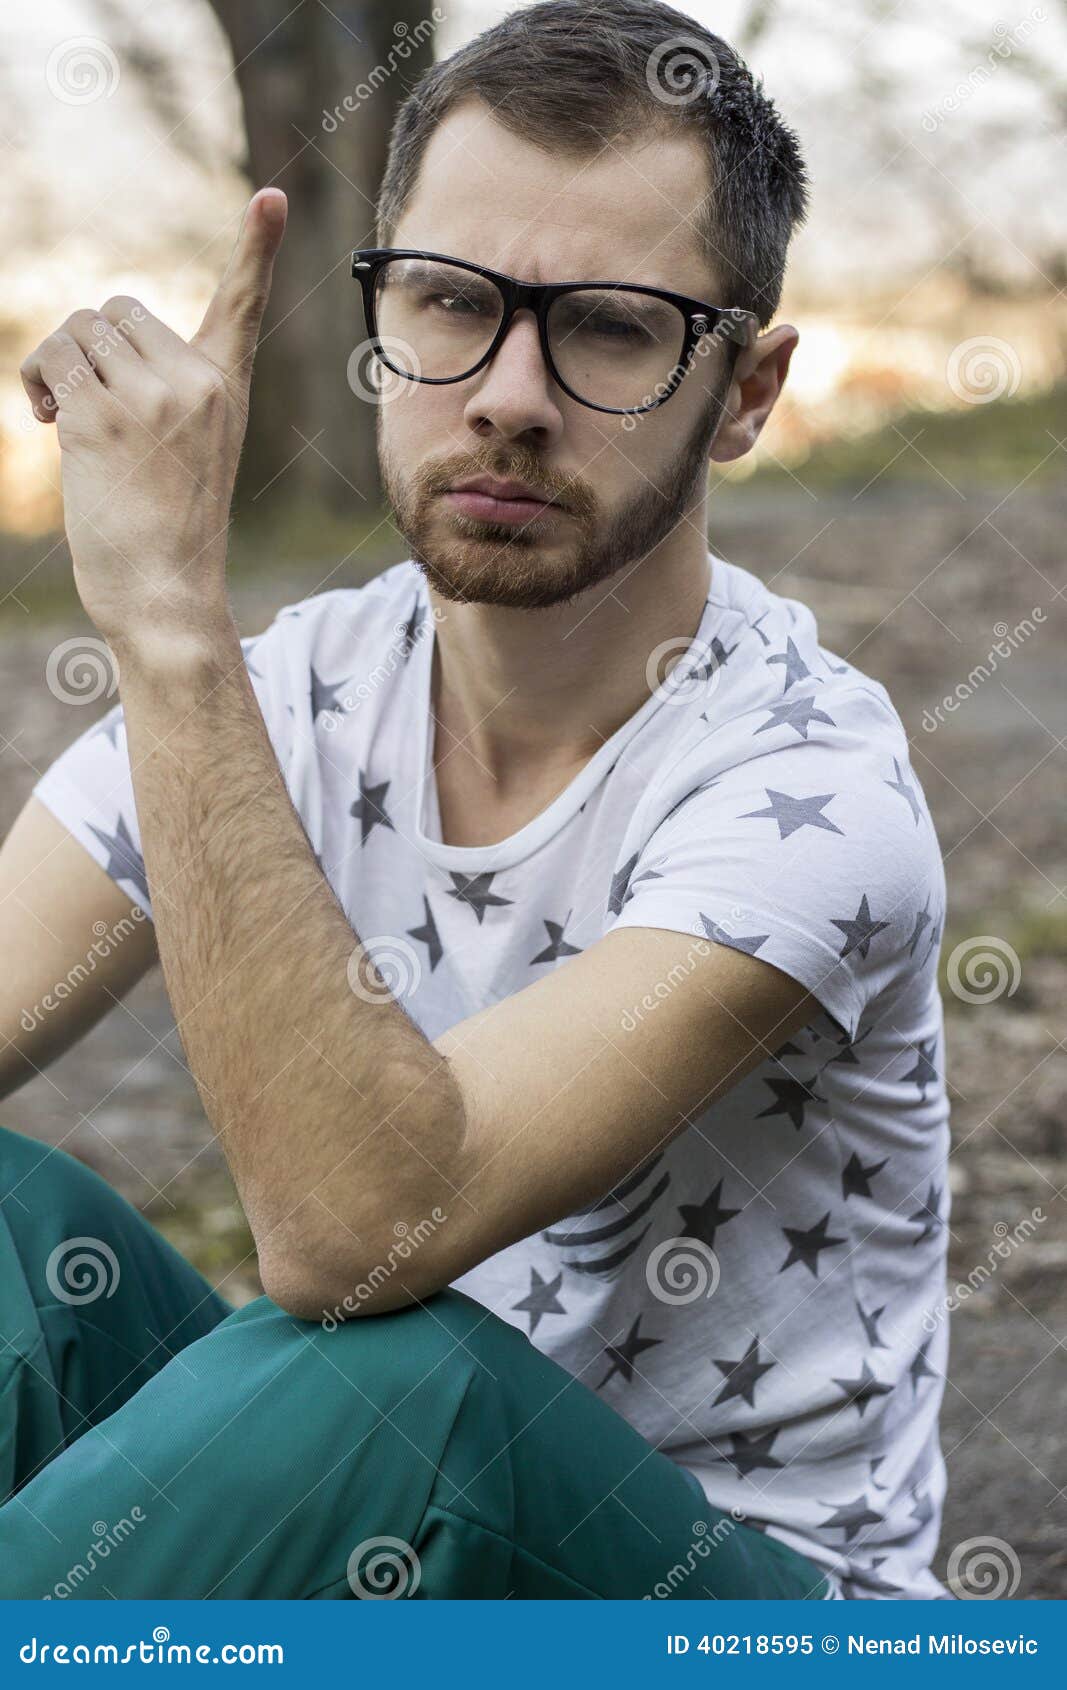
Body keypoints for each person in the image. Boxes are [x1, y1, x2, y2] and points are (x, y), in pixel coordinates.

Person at [1, 0, 949, 1600]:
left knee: (391, 1380)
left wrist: (164, 622)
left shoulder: (812, 788)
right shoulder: (303, 692)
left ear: (747, 389)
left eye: (610, 327)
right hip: (384, 1535)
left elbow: (357, 1220)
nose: (509, 393)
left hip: (734, 1614)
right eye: (451, 303)